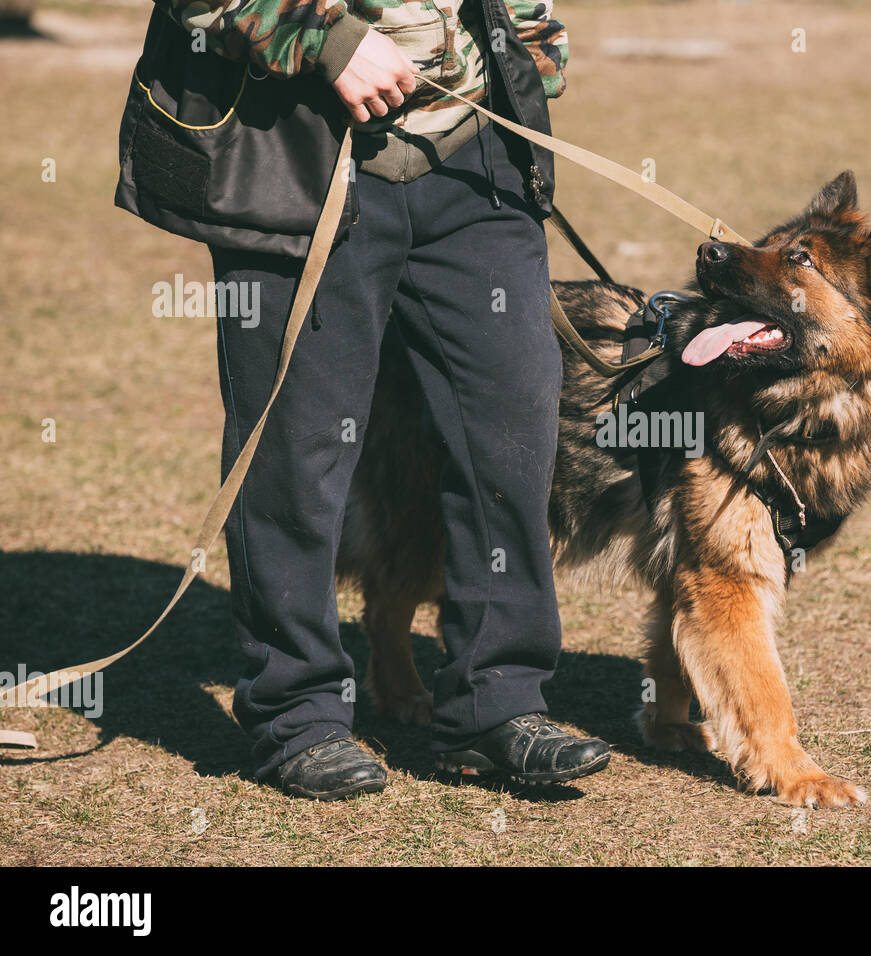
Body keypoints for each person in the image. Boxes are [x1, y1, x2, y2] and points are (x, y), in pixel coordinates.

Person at [116, 0, 610, 799]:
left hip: (474, 155)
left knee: (512, 426)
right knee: (296, 451)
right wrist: (330, 41)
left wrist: (531, 43)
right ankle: (297, 717)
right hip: (297, 156)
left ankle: (497, 703)